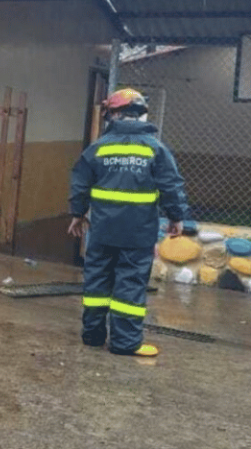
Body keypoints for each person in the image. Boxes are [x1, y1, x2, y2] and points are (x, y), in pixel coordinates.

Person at [68, 88, 188, 357]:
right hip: (138, 232)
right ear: (142, 113)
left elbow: (80, 182)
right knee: (130, 284)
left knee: (97, 281)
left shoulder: (98, 148)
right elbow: (171, 185)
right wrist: (176, 217)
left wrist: (77, 214)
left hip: (101, 230)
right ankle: (124, 343)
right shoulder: (155, 148)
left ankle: (93, 335)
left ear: (112, 114)